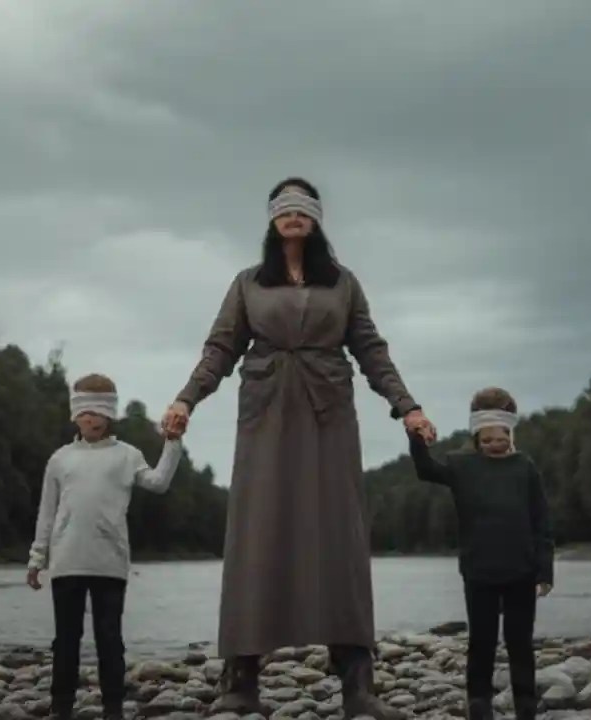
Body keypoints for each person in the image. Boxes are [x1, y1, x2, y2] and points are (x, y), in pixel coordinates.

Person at [160, 177, 436, 719]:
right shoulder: (247, 283)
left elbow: (371, 350)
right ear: (272, 219)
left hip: (329, 412)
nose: (294, 215)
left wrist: (407, 406)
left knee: (340, 537)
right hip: (265, 413)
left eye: (303, 208)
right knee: (256, 533)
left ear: (316, 219)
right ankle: (241, 679)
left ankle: (358, 685)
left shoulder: (343, 283)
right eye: (284, 208)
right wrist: (186, 399)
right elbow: (220, 348)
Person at [28, 373, 184, 720]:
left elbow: (158, 482)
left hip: (110, 563)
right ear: (75, 414)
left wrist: (173, 443)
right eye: (84, 411)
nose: (90, 418)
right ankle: (61, 708)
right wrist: (37, 558)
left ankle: (113, 709)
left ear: (110, 413)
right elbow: (47, 512)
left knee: (109, 638)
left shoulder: (127, 456)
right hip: (66, 561)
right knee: (65, 640)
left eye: (97, 411)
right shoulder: (60, 459)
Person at [406, 387, 554, 720]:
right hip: (478, 571)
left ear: (510, 434)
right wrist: (417, 438)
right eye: (486, 440)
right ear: (476, 437)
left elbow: (542, 522)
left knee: (520, 643)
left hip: (522, 571)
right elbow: (426, 470)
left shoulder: (524, 467)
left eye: (500, 439)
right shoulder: (462, 465)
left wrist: (545, 571)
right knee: (481, 642)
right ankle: (479, 704)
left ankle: (526, 706)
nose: (494, 445)